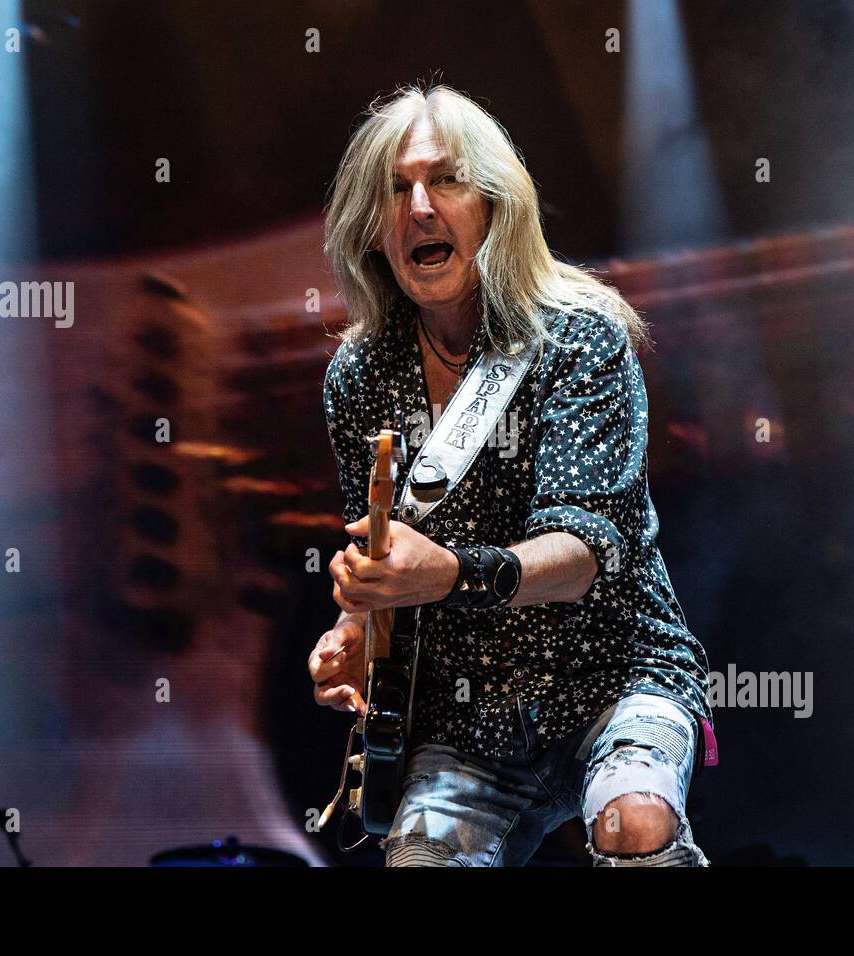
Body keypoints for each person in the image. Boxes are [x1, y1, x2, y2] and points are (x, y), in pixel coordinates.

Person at [308, 82, 715, 866]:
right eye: (395, 190)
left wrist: (449, 575)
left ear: (496, 204)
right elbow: (390, 560)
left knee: (636, 821)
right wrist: (354, 631)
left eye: (446, 180)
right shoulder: (359, 376)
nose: (419, 206)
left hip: (615, 678)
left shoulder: (581, 339)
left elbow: (583, 553)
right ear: (373, 231)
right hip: (464, 720)